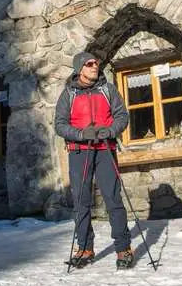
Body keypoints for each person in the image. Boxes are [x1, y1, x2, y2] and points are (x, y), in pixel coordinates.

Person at [54, 51, 134, 269]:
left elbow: (122, 116)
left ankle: (123, 248)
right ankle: (85, 248)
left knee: (113, 198)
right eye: (89, 64)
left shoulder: (108, 90)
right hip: (80, 152)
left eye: (96, 63)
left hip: (105, 149)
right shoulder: (68, 94)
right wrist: (81, 135)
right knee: (81, 202)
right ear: (80, 68)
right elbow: (59, 124)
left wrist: (110, 131)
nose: (94, 66)